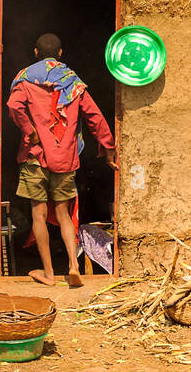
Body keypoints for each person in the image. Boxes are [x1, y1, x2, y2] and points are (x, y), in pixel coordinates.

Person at [7, 32, 117, 287]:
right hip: (65, 157)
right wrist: (108, 146)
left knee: (38, 214)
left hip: (35, 157)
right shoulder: (73, 83)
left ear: (35, 53)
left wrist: (29, 131)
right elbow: (95, 117)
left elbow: (14, 106)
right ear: (60, 53)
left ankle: (48, 274)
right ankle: (73, 265)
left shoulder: (25, 79)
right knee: (63, 214)